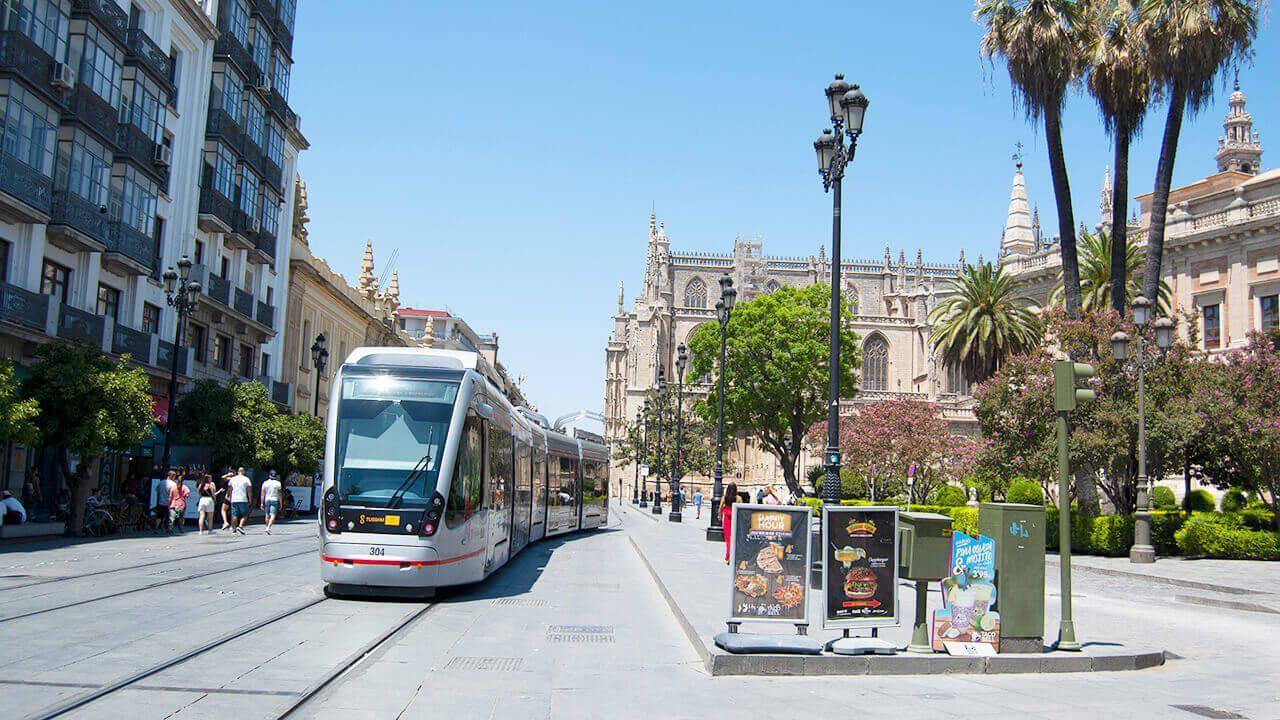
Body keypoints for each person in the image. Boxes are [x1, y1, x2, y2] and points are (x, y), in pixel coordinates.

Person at [225, 467, 253, 534]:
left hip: (234, 499)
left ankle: (234, 530)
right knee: (245, 514)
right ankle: (240, 526)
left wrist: (228, 496)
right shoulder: (246, 479)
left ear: (238, 472)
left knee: (234, 515)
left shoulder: (233, 479)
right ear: (243, 472)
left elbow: (229, 488)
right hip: (243, 499)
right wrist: (250, 499)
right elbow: (249, 490)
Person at [260, 471, 282, 535]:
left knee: (267, 514)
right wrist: (281, 503)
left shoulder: (265, 483)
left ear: (269, 476)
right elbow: (280, 494)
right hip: (274, 499)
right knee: (273, 514)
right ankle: (268, 527)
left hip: (267, 499)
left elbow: (262, 494)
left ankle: (267, 527)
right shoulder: (278, 483)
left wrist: (261, 503)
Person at [721, 482, 738, 564]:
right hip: (735, 519)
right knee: (734, 538)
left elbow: (720, 507)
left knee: (728, 540)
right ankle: (734, 556)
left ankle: (727, 557)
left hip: (727, 520)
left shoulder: (724, 498)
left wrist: (719, 515)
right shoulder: (738, 498)